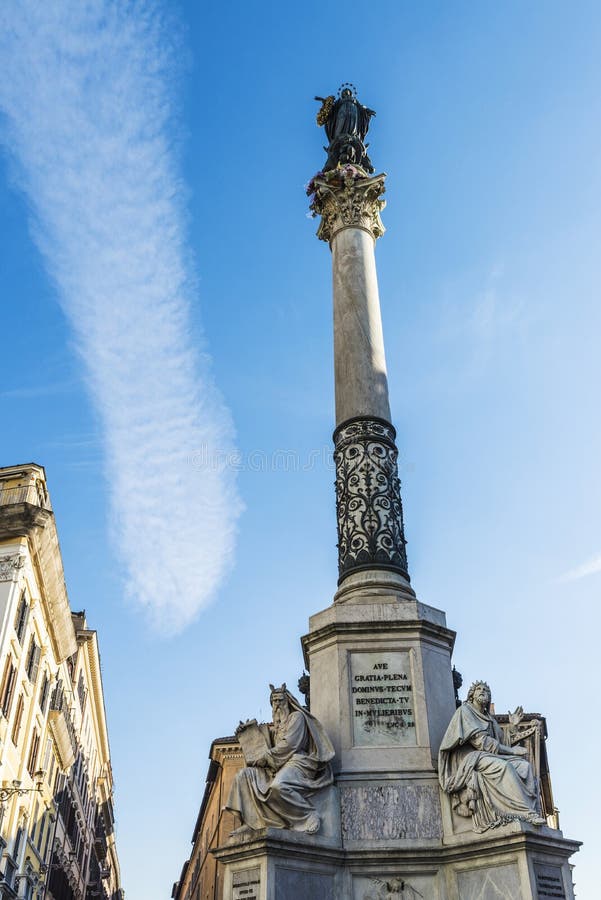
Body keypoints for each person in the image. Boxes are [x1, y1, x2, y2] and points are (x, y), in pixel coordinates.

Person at [227, 683, 334, 837]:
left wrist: (266, 757)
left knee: (279, 786)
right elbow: (262, 745)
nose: (277, 705)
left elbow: (290, 745)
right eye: (274, 702)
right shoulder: (275, 728)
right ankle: (251, 823)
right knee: (243, 776)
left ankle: (308, 816)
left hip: (298, 762)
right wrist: (245, 734)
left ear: (288, 701)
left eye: (280, 700)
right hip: (277, 767)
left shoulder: (296, 718)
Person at [438, 681, 546, 833]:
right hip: (470, 758)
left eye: (486, 690)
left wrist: (513, 727)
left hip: (488, 755)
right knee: (504, 767)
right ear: (472, 695)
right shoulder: (465, 711)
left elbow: (500, 743)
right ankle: (524, 813)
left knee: (524, 767)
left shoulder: (489, 718)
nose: (483, 691)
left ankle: (527, 811)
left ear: (489, 697)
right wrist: (512, 751)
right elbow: (482, 742)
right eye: (479, 689)